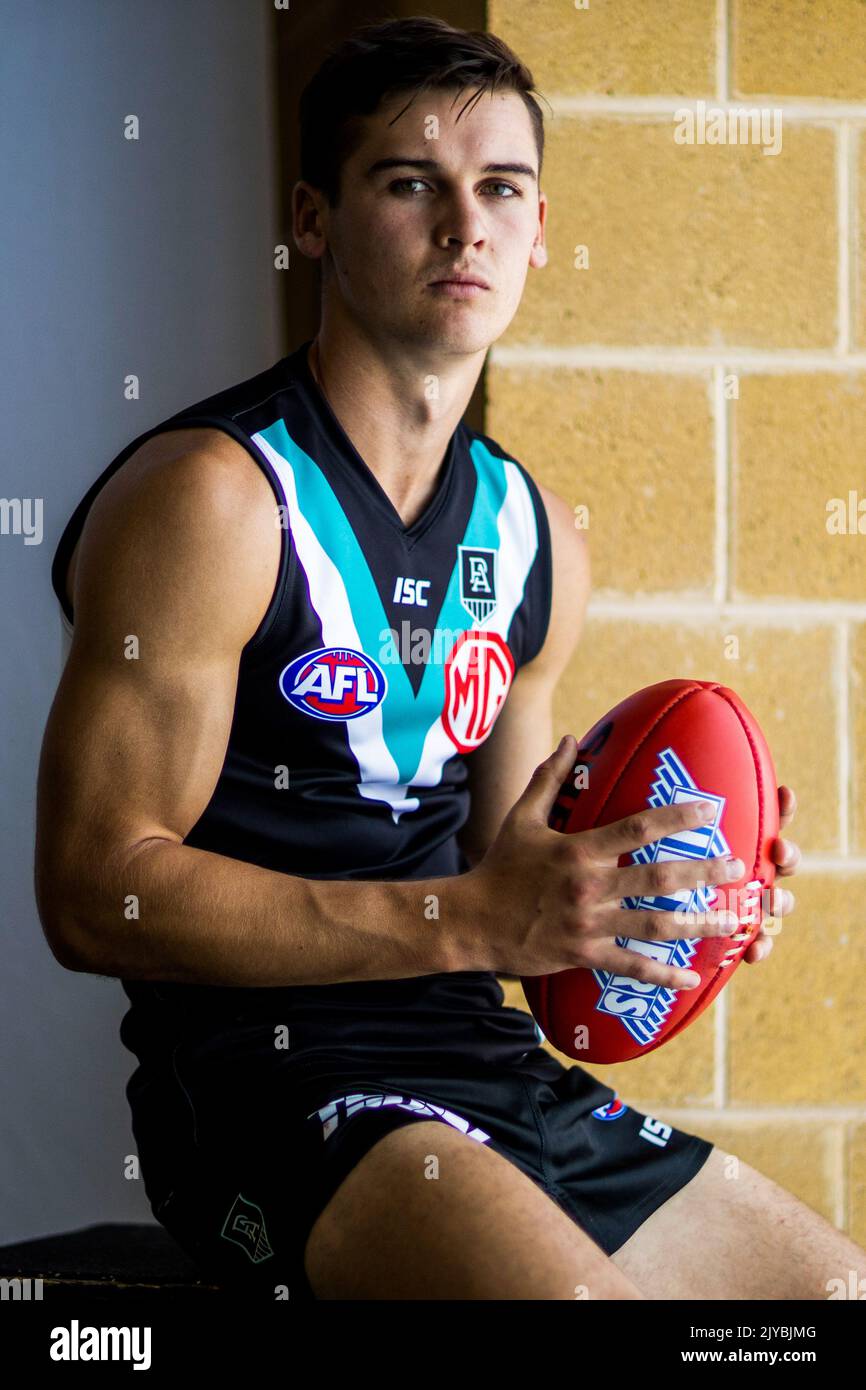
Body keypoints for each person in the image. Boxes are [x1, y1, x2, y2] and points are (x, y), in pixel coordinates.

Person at [35, 16, 857, 1302]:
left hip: (482, 1061)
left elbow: (509, 897)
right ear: (312, 218)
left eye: (501, 189)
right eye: (410, 182)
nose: (463, 225)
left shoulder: (535, 537)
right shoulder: (216, 500)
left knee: (825, 1302)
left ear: (537, 234)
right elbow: (93, 893)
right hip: (273, 1079)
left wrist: (656, 905)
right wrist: (471, 919)